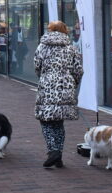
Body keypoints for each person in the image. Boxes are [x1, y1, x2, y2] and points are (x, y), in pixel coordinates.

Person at [34, 20, 83, 168]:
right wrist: (72, 83)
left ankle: (53, 150)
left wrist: (44, 77)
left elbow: (37, 66)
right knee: (59, 122)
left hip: (47, 86)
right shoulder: (71, 48)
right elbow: (78, 70)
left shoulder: (42, 46)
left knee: (46, 120)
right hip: (65, 87)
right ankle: (58, 155)